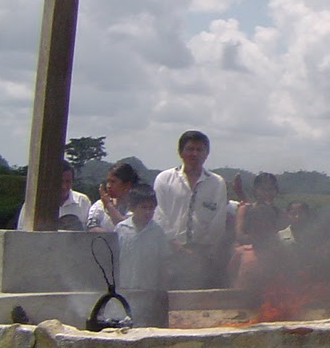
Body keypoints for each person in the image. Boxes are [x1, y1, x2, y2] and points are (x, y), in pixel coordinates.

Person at [153, 131, 228, 289]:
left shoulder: (216, 183)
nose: (195, 154)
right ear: (181, 152)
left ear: (207, 153)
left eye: (199, 150)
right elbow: (159, 214)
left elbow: (218, 220)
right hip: (169, 253)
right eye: (190, 149)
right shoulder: (165, 179)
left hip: (202, 255)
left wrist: (204, 248)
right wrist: (176, 246)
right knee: (169, 300)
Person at [115, 184, 171, 326]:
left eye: (151, 208)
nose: (148, 212)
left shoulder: (157, 232)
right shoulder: (121, 230)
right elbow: (114, 260)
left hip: (149, 289)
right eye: (143, 207)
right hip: (126, 288)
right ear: (132, 208)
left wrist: (162, 289)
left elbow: (163, 262)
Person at [230, 172, 285, 291]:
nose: (267, 193)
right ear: (255, 190)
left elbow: (282, 236)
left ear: (276, 191)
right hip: (247, 255)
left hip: (271, 258)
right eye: (263, 189)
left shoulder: (279, 213)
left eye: (271, 189)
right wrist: (261, 240)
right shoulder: (245, 209)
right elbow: (240, 236)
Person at [87, 161, 140, 232]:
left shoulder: (136, 209)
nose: (108, 186)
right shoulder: (99, 206)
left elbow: (126, 230)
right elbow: (91, 228)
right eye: (108, 181)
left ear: (127, 185)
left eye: (113, 182)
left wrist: (109, 206)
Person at [58, 163, 92, 227]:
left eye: (68, 181)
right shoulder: (40, 203)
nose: (64, 186)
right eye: (60, 181)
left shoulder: (83, 201)